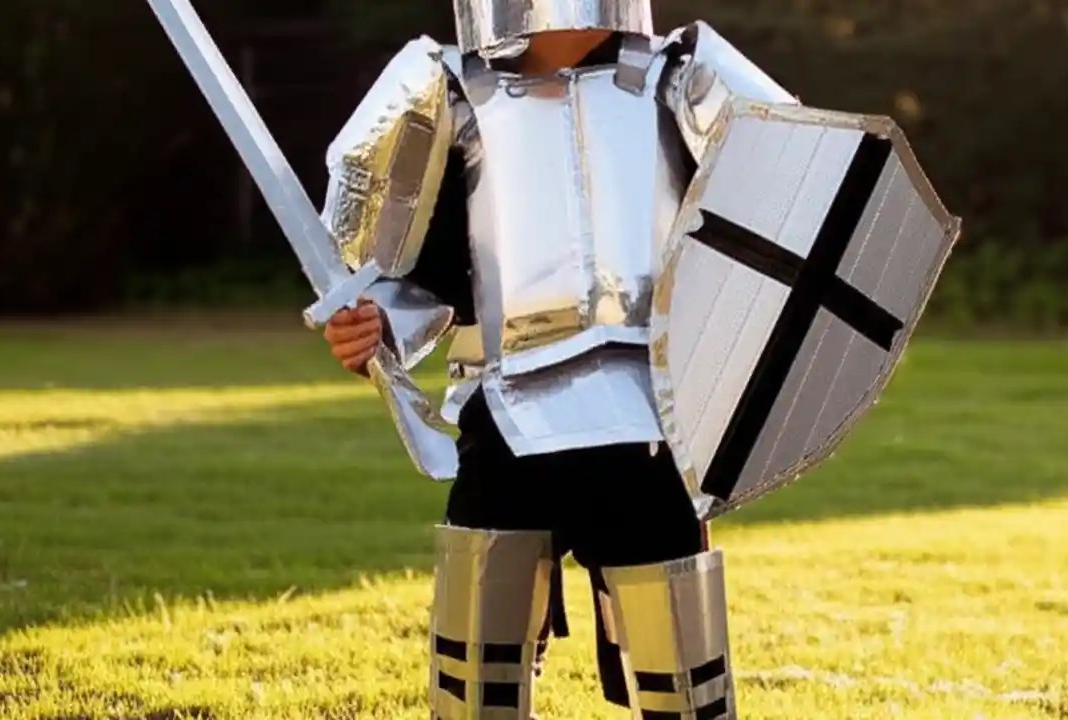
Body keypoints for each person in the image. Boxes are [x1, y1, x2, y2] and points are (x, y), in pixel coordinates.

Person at [320, 2, 797, 717]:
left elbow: (796, 198)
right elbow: (427, 276)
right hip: (506, 427)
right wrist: (378, 324)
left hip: (649, 429)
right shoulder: (449, 91)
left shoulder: (683, 78)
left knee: (685, 692)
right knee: (476, 687)